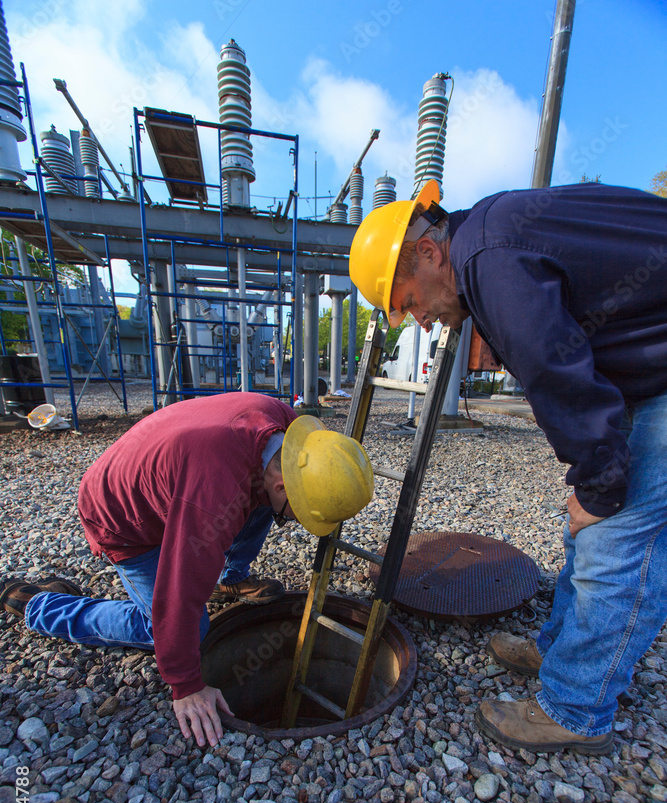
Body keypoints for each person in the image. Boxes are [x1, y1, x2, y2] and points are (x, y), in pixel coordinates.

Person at [350, 179, 667, 755]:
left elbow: (555, 369)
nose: (418, 320)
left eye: (409, 302)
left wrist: (599, 485)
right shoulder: (486, 240)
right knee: (593, 524)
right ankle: (562, 649)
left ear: (427, 252)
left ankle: (575, 707)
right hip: (650, 373)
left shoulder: (489, 258)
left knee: (618, 536)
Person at [1, 393, 374, 747]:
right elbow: (175, 593)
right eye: (300, 513)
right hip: (121, 515)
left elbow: (251, 494)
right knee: (178, 627)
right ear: (283, 484)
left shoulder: (286, 436)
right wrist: (186, 685)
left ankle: (230, 579)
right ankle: (40, 605)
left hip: (173, 478)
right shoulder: (213, 499)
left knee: (264, 506)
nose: (297, 521)